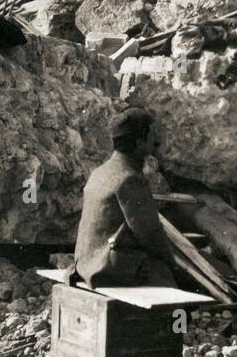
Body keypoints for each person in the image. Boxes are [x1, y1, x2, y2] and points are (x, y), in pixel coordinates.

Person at [72, 107, 176, 289]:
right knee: (167, 278)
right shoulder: (129, 178)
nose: (157, 141)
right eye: (152, 135)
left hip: (85, 264)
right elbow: (149, 233)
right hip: (105, 269)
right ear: (139, 143)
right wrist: (171, 263)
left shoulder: (100, 172)